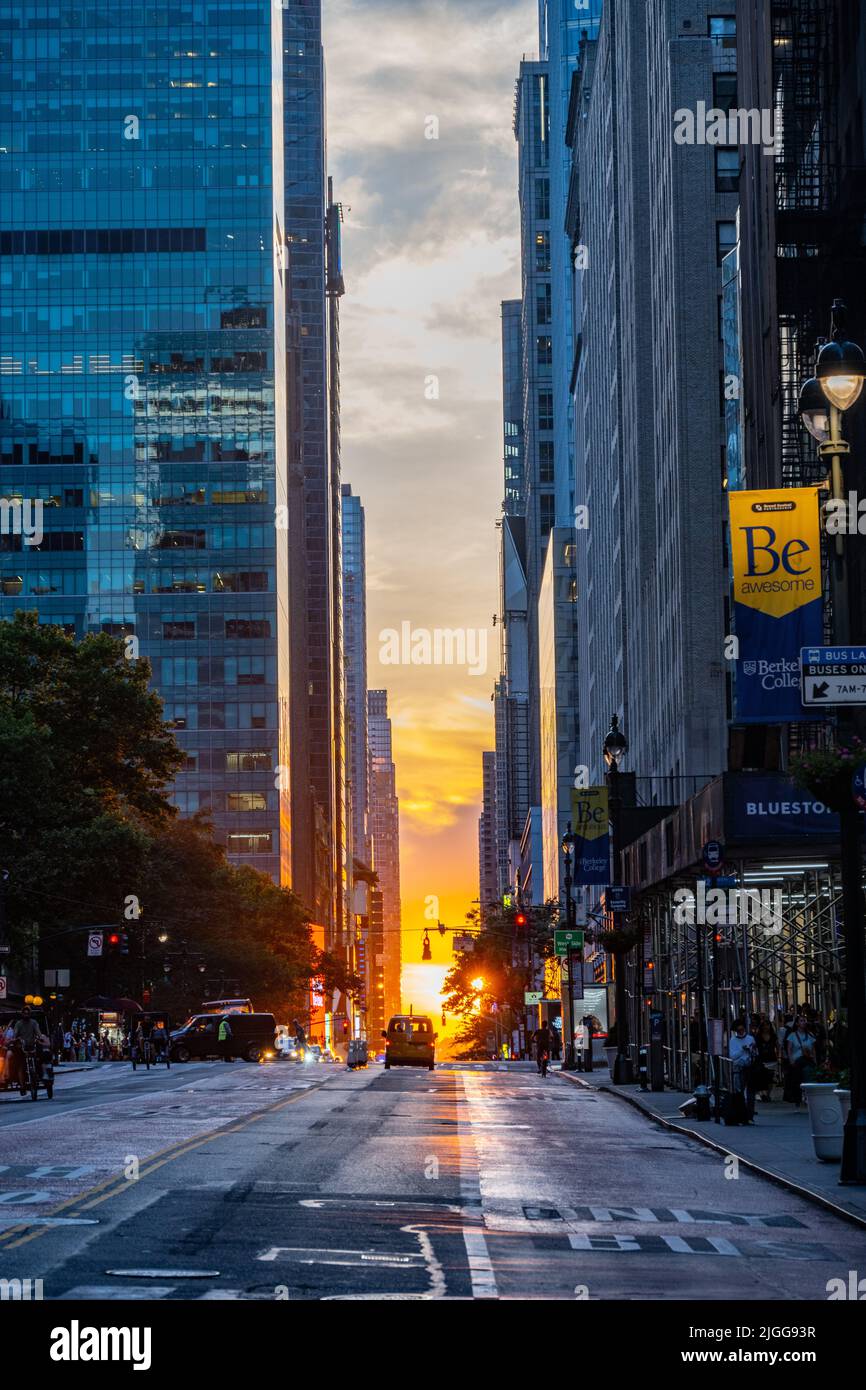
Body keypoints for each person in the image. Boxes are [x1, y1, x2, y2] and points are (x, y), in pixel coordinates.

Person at [728, 1020, 757, 1122]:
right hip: (739, 1067)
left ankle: (750, 1115)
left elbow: (755, 1053)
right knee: (739, 1092)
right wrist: (743, 1050)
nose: (741, 1032)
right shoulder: (733, 1040)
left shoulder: (750, 1039)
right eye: (738, 1030)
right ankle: (741, 1114)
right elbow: (732, 1056)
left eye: (742, 1029)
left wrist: (752, 1050)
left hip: (749, 1066)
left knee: (750, 1093)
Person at [784, 1014, 816, 1107]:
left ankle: (807, 1095)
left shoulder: (810, 1035)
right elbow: (789, 1049)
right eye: (801, 1021)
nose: (804, 1022)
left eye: (804, 1020)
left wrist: (815, 1060)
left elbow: (813, 1050)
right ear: (797, 1023)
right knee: (797, 1078)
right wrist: (791, 1061)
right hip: (797, 1060)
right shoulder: (792, 1035)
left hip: (808, 1060)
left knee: (808, 1073)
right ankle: (798, 1097)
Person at [755, 1021, 778, 1102]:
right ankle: (763, 1094)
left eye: (767, 1025)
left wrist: (779, 1057)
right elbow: (756, 1048)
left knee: (770, 1078)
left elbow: (777, 1046)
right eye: (764, 1025)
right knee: (762, 1077)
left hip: (772, 1058)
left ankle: (767, 1094)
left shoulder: (773, 1036)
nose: (766, 1027)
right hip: (761, 1059)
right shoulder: (758, 1036)